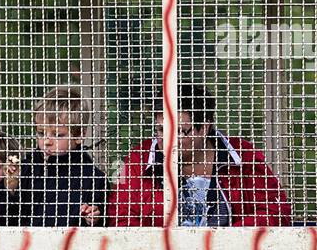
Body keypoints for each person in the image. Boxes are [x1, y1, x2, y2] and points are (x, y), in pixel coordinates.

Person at [107, 82, 291, 227]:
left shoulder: (243, 156)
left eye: (179, 131)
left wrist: (227, 242)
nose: (167, 139)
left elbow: (274, 212)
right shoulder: (137, 160)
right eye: (161, 130)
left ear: (204, 127)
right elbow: (119, 218)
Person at [0, 86, 108, 227]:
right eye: (41, 133)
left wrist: (94, 218)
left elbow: (102, 226)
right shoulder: (24, 169)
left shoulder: (93, 178)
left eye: (57, 135)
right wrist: (9, 189)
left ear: (79, 135)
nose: (47, 141)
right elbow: (1, 220)